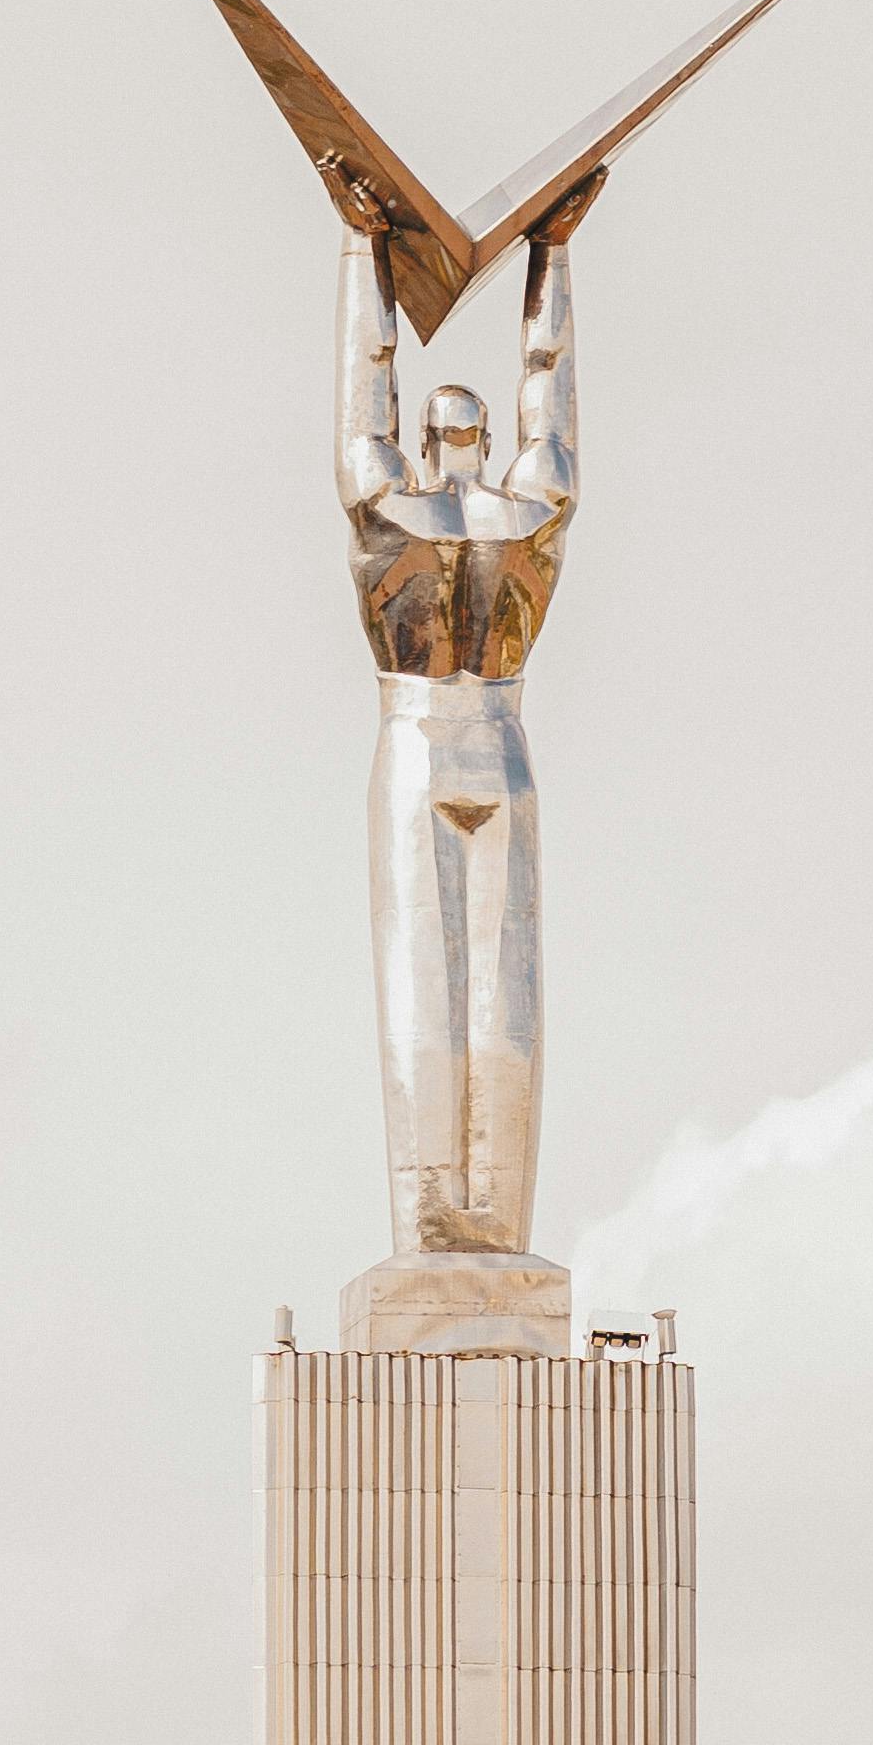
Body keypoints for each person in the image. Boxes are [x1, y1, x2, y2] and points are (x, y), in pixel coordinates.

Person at [336, 181, 594, 1255]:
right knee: (496, 997)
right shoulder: (522, 513)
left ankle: (445, 1231)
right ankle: (468, 1231)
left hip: (427, 730)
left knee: (442, 994)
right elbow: (550, 389)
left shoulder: (392, 510)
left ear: (431, 439)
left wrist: (365, 256)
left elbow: (364, 396)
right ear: (482, 437)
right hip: (494, 736)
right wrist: (549, 257)